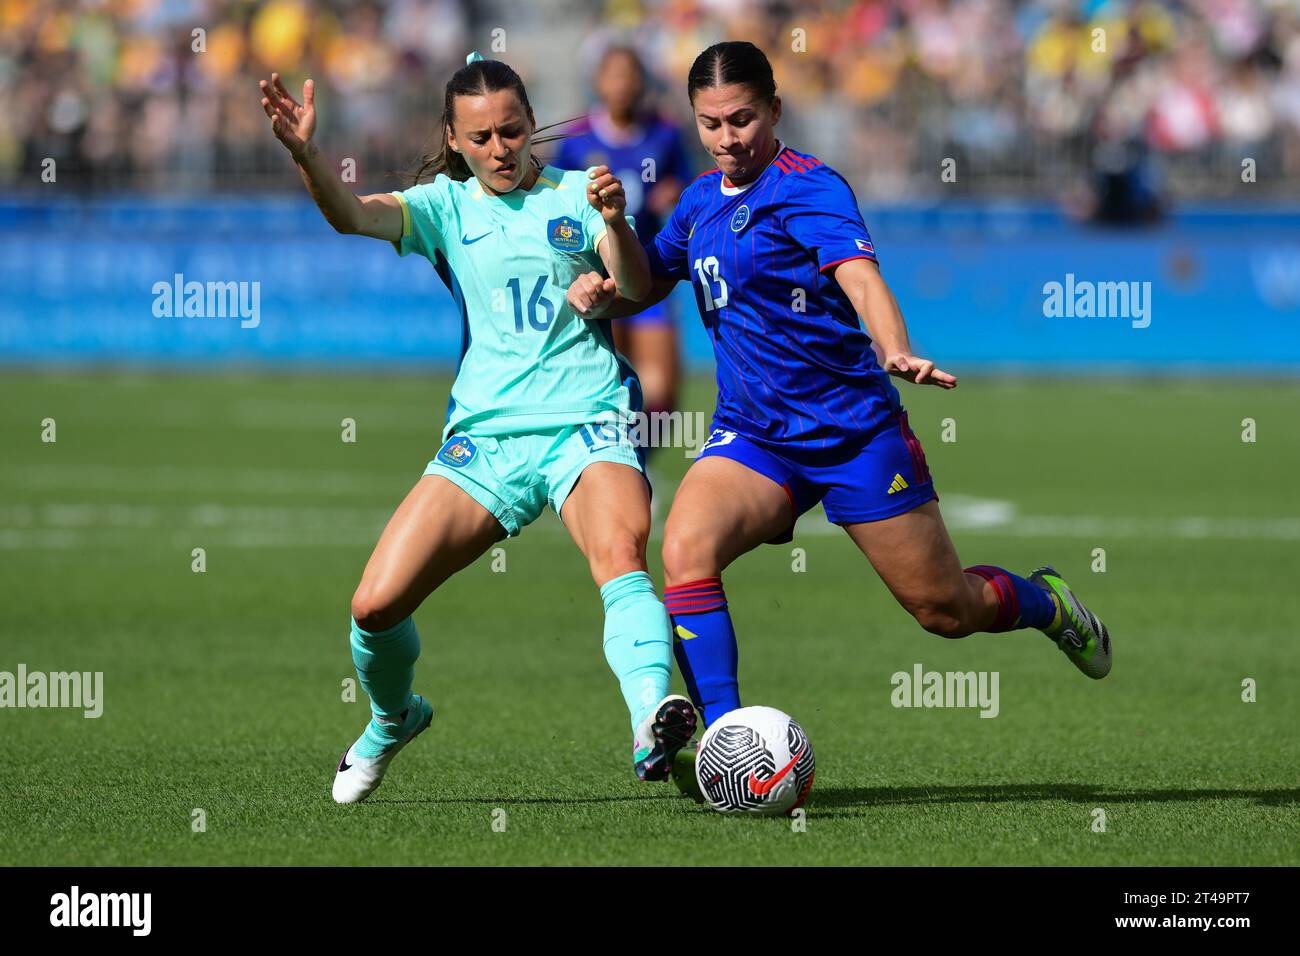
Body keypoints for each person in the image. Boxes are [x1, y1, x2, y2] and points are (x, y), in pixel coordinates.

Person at [567, 41, 1112, 773]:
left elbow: (860, 278)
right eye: (712, 123)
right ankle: (725, 741)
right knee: (685, 549)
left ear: (776, 110)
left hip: (855, 435)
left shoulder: (811, 187)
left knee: (945, 611)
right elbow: (641, 284)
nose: (729, 138)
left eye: (743, 118)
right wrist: (610, 257)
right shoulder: (698, 200)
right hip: (755, 438)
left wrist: (894, 346)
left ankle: (1046, 603)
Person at [258, 53, 697, 804]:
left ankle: (649, 719)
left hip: (586, 424)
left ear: (531, 125)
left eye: (512, 131)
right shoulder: (444, 209)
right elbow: (352, 216)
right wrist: (307, 155)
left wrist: (618, 226)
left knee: (619, 554)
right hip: (485, 444)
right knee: (374, 606)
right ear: (455, 142)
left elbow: (632, 286)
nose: (500, 149)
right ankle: (393, 718)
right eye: (483, 137)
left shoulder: (577, 194)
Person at [555, 45, 693, 469]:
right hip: (595, 281)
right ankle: (597, 469)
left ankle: (638, 464)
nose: (622, 84)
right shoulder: (577, 141)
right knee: (598, 386)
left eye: (630, 74)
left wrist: (672, 194)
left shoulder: (665, 135)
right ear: (599, 82)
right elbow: (556, 200)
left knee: (662, 391)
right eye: (613, 75)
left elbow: (686, 189)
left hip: (647, 273)